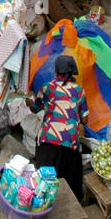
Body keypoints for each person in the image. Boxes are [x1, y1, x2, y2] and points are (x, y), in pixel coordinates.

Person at [29, 55, 88, 201]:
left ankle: (41, 208)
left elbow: (35, 108)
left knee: (44, 182)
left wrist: (28, 101)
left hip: (48, 139)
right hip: (70, 143)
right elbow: (85, 120)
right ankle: (73, 210)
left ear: (56, 72)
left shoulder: (47, 88)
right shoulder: (79, 91)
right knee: (71, 185)